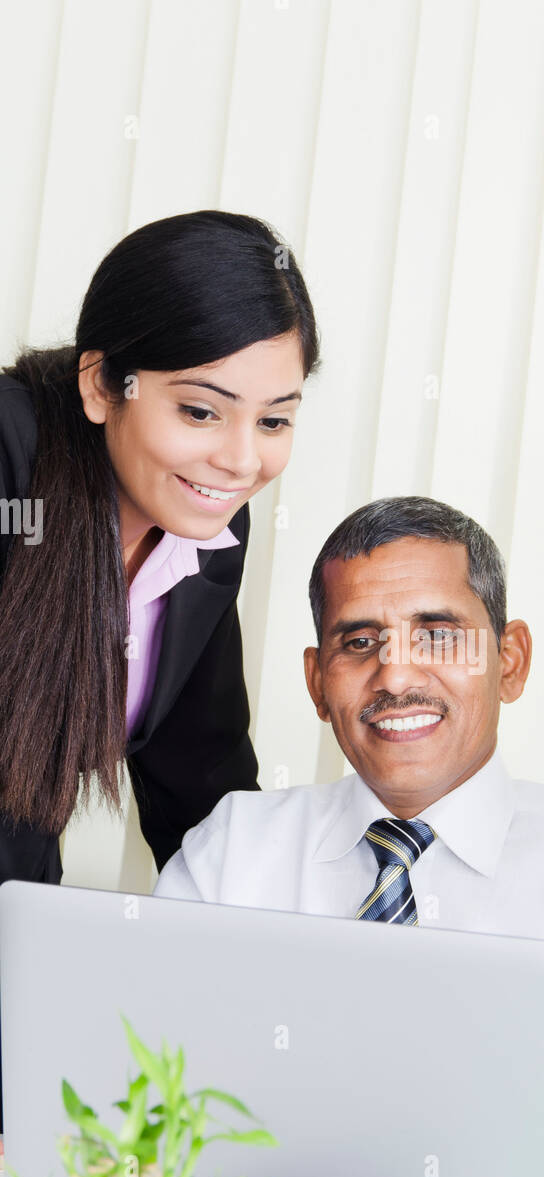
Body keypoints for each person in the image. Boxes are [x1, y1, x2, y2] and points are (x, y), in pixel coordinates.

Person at [154, 496, 544, 1177]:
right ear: (317, 682)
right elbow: (150, 1080)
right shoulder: (231, 849)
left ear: (511, 661)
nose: (396, 677)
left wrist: (453, 1142)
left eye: (438, 636)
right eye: (359, 642)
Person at [0, 208, 318, 887]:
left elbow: (202, 782)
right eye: (201, 411)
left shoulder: (206, 531)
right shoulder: (9, 457)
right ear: (101, 385)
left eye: (273, 420)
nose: (239, 460)